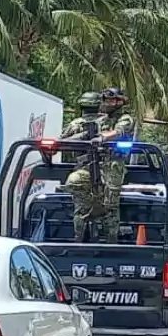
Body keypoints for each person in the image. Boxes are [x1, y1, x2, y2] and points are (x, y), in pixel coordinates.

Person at [61, 92, 106, 242]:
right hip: (107, 173)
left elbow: (61, 143)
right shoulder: (106, 123)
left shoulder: (75, 124)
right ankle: (107, 240)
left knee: (81, 210)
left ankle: (78, 239)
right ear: (99, 105)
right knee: (109, 209)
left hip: (83, 171)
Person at [94, 87, 136, 242]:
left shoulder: (126, 119)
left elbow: (118, 132)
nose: (107, 103)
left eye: (111, 100)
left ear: (120, 101)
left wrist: (103, 138)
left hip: (114, 165)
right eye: (105, 100)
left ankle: (111, 239)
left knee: (110, 205)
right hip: (96, 163)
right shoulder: (102, 120)